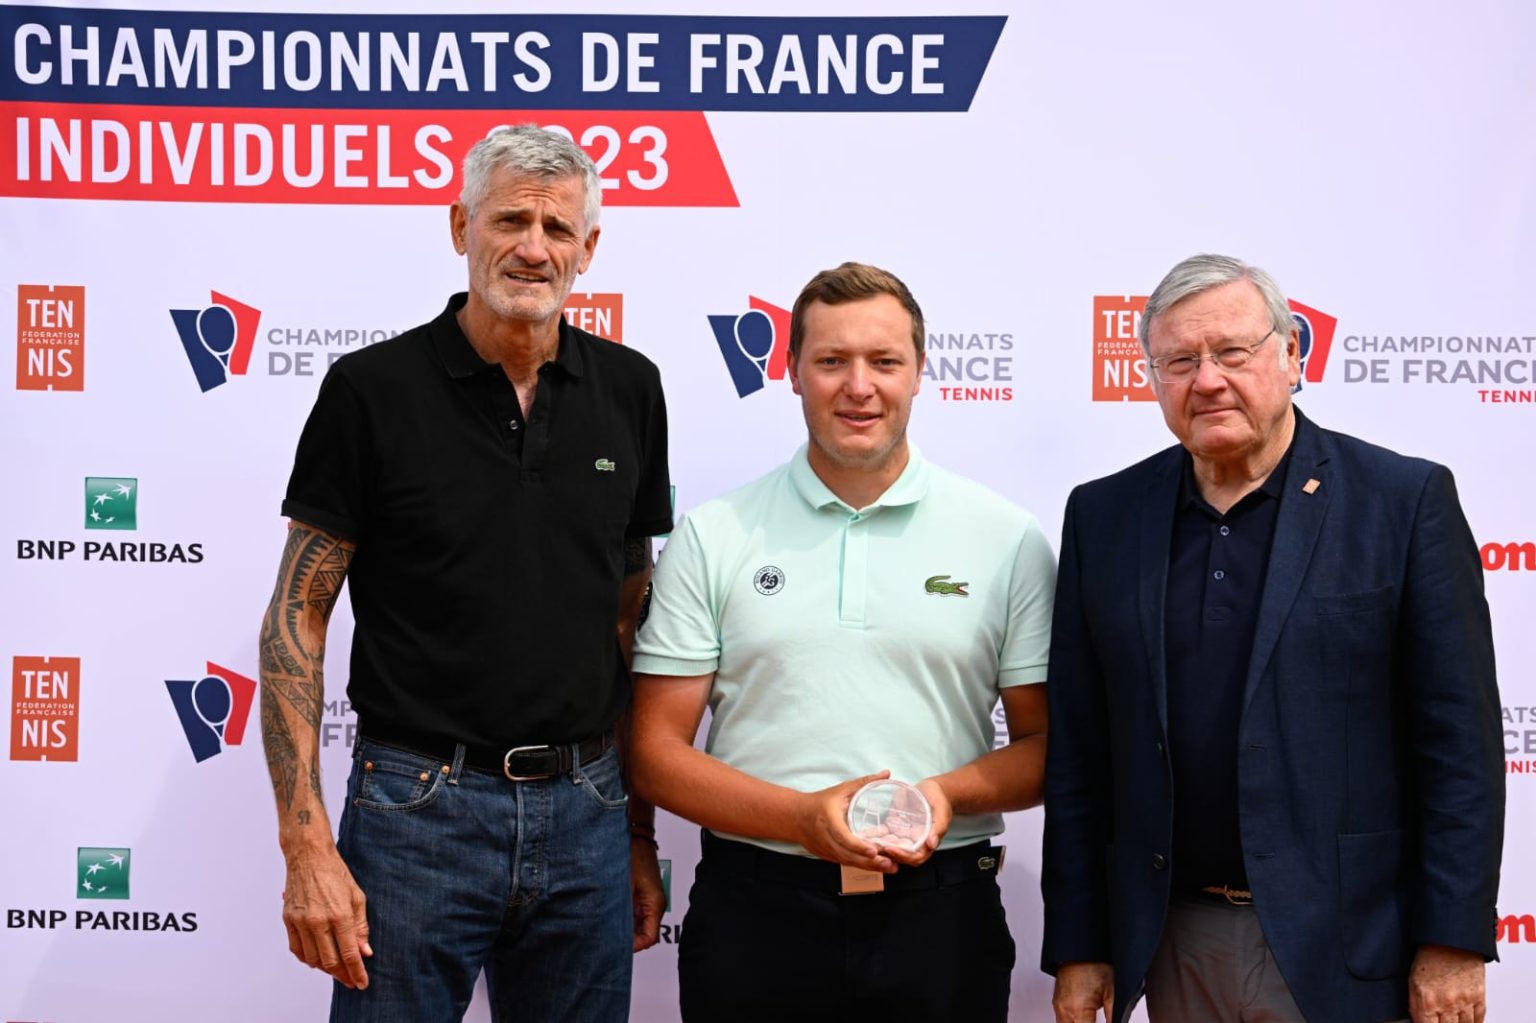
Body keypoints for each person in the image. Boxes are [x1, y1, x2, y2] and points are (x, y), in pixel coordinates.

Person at [257, 125, 672, 1022]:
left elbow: (629, 620)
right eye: (510, 219)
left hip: (588, 809)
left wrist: (637, 832)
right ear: (460, 227)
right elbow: (298, 618)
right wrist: (306, 848)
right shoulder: (370, 389)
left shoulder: (633, 390)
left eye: (558, 229)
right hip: (415, 814)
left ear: (588, 249)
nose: (533, 247)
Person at [1041, 253, 1503, 1023]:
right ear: (1152, 378)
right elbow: (1082, 755)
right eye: (1180, 360)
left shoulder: (1402, 501)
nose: (1208, 378)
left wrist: (1452, 939)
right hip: (1170, 938)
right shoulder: (1105, 516)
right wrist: (1082, 943)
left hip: (1352, 943)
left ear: (1292, 353)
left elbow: (1460, 748)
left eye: (1233, 351)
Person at [630, 261, 1055, 1021]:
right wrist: (800, 819)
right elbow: (656, 751)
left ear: (921, 371)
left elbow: (1048, 748)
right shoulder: (714, 531)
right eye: (831, 360)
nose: (858, 385)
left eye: (884, 360)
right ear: (791, 371)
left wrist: (942, 796)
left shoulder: (1008, 538)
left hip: (943, 915)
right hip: (754, 912)